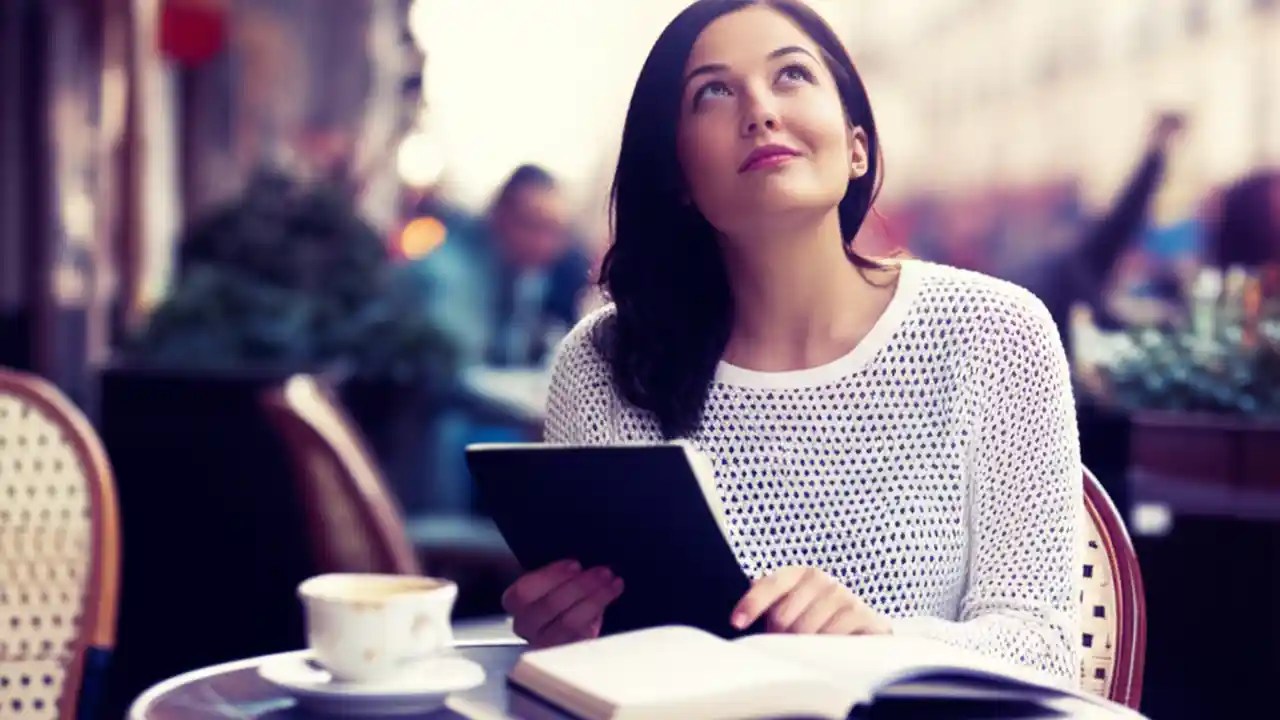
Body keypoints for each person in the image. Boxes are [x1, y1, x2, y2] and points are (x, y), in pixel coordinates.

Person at [500, 0, 1081, 686]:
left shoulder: (996, 332)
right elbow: (596, 663)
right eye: (712, 92)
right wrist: (562, 633)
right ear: (680, 176)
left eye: (792, 76)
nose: (760, 111)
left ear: (856, 145)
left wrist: (884, 638)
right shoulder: (601, 364)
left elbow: (1045, 647)